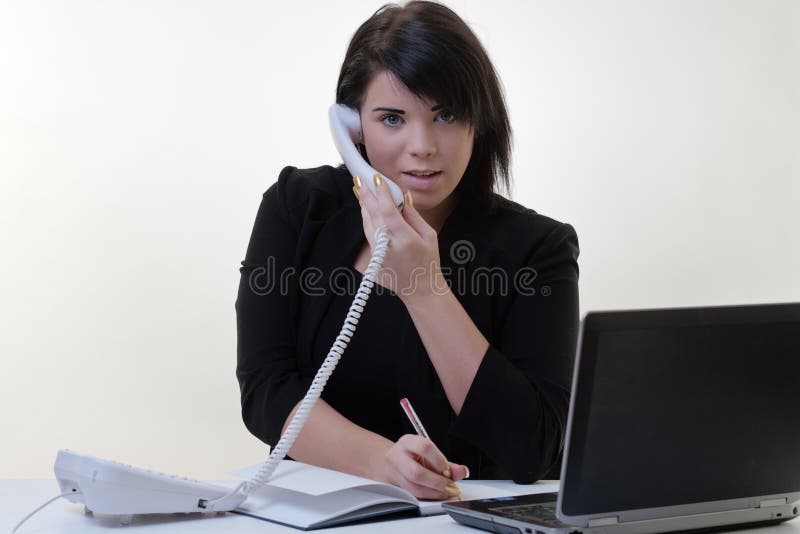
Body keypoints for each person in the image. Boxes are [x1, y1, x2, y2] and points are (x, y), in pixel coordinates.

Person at [236, 1, 579, 500]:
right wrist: (380, 462)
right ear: (352, 128)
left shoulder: (538, 249)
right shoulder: (297, 207)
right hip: (318, 510)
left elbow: (535, 449)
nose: (422, 146)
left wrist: (425, 289)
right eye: (392, 118)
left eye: (446, 115)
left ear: (478, 120)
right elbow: (265, 388)